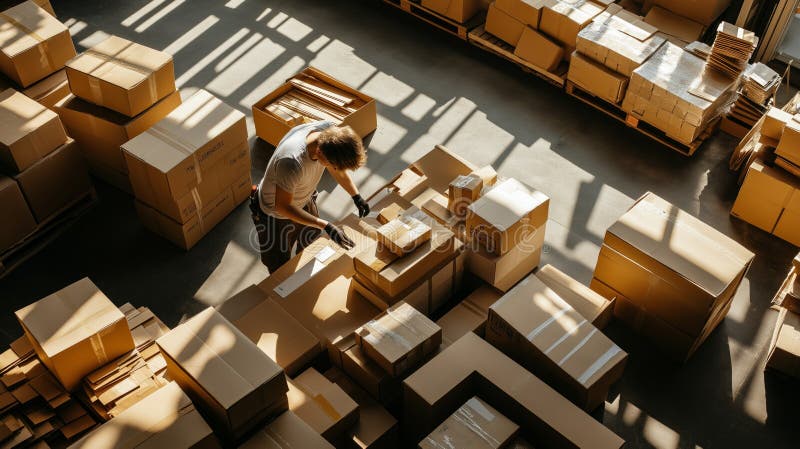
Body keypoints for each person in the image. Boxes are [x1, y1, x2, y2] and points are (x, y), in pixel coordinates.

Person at [249, 121, 370, 273]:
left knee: (311, 240)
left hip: (304, 197)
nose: (334, 169)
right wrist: (325, 225)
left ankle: (304, 267)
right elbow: (283, 206)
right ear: (319, 152)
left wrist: (356, 196)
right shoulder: (291, 162)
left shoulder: (328, 131)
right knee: (279, 264)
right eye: (332, 165)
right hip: (275, 215)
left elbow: (336, 168)